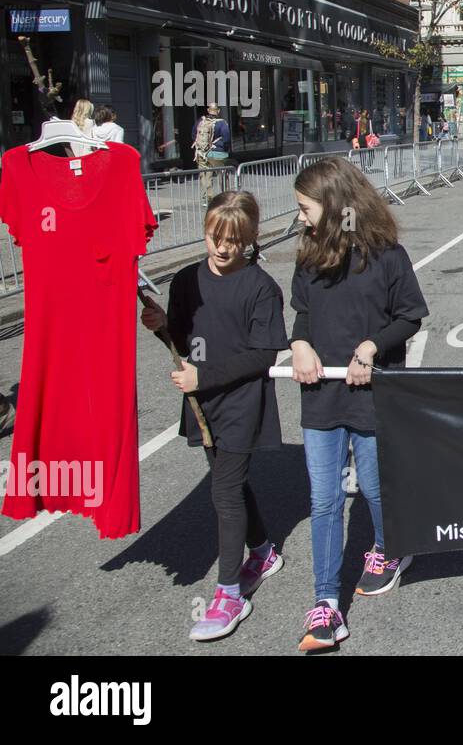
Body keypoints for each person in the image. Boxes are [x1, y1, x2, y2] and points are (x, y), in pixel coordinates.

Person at [289, 157, 429, 651]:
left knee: (373, 486)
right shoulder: (309, 253)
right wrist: (299, 344)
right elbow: (303, 313)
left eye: (306, 208)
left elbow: (411, 315)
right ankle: (326, 602)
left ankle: (390, 548)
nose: (301, 218)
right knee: (323, 500)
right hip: (320, 394)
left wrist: (372, 347)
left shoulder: (387, 255)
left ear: (333, 204)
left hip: (373, 392)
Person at [140, 191, 288, 641]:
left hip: (243, 402)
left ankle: (229, 595)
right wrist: (163, 325)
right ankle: (262, 550)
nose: (222, 248)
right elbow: (184, 340)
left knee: (223, 492)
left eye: (234, 240)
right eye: (214, 237)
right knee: (233, 483)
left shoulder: (262, 288)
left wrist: (202, 378)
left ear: (250, 238)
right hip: (202, 405)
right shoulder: (186, 280)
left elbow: (264, 354)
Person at [193, 103, 233, 203]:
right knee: (222, 174)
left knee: (205, 176)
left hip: (201, 153)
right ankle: (225, 197)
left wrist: (203, 146)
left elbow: (193, 135)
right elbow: (227, 139)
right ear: (218, 111)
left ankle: (208, 199)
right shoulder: (222, 123)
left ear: (208, 110)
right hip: (217, 153)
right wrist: (225, 149)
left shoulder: (200, 121)